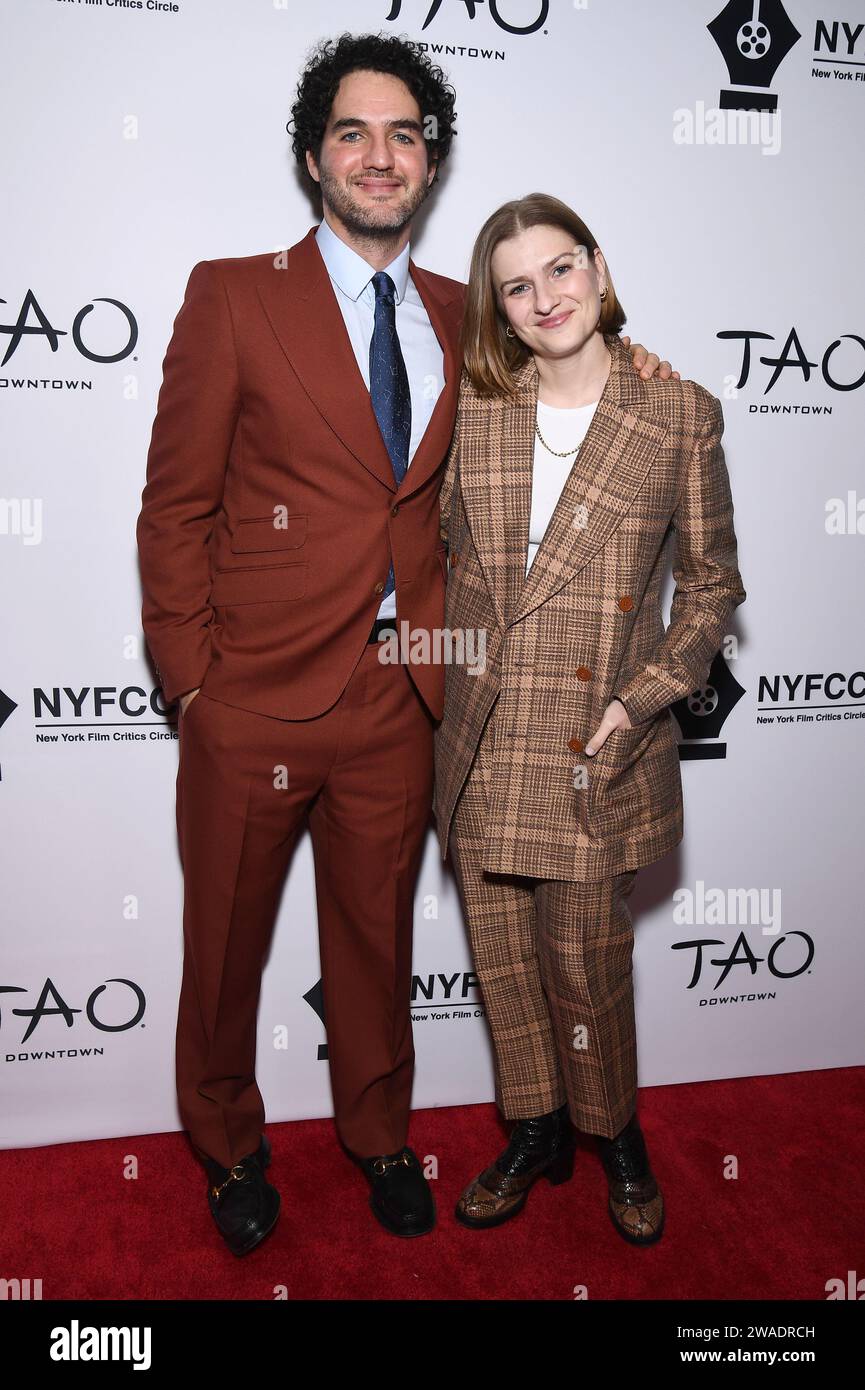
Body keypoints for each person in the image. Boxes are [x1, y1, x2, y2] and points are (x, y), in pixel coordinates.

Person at [136, 34, 672, 1256]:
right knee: (222, 948)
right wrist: (194, 684)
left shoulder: (462, 313)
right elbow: (173, 508)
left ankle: (377, 1132)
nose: (379, 157)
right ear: (314, 158)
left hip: (403, 693)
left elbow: (564, 413)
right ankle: (225, 1146)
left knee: (376, 938)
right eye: (352, 133)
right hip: (251, 700)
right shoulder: (233, 292)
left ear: (429, 165)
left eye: (404, 136)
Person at [434, 193, 746, 1244]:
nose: (544, 298)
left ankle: (616, 1137)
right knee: (502, 960)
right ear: (499, 308)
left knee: (584, 965)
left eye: (560, 270)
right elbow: (437, 557)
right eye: (516, 286)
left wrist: (638, 698)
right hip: (484, 730)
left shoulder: (677, 411)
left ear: (598, 270)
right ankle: (532, 1128)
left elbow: (709, 589)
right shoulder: (474, 408)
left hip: (593, 736)